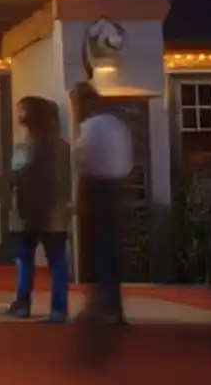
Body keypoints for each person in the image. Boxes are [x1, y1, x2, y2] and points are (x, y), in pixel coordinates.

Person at [6, 96, 72, 324]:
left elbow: (16, 179)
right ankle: (58, 309)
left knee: (25, 259)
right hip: (54, 211)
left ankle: (23, 304)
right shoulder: (62, 147)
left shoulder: (23, 148)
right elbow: (67, 180)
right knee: (57, 261)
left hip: (26, 211)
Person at [71, 81, 131, 326]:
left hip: (97, 189)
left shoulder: (90, 128)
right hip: (117, 188)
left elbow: (83, 163)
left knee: (98, 251)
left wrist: (80, 200)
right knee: (110, 250)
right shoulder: (117, 125)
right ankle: (113, 306)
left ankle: (101, 307)